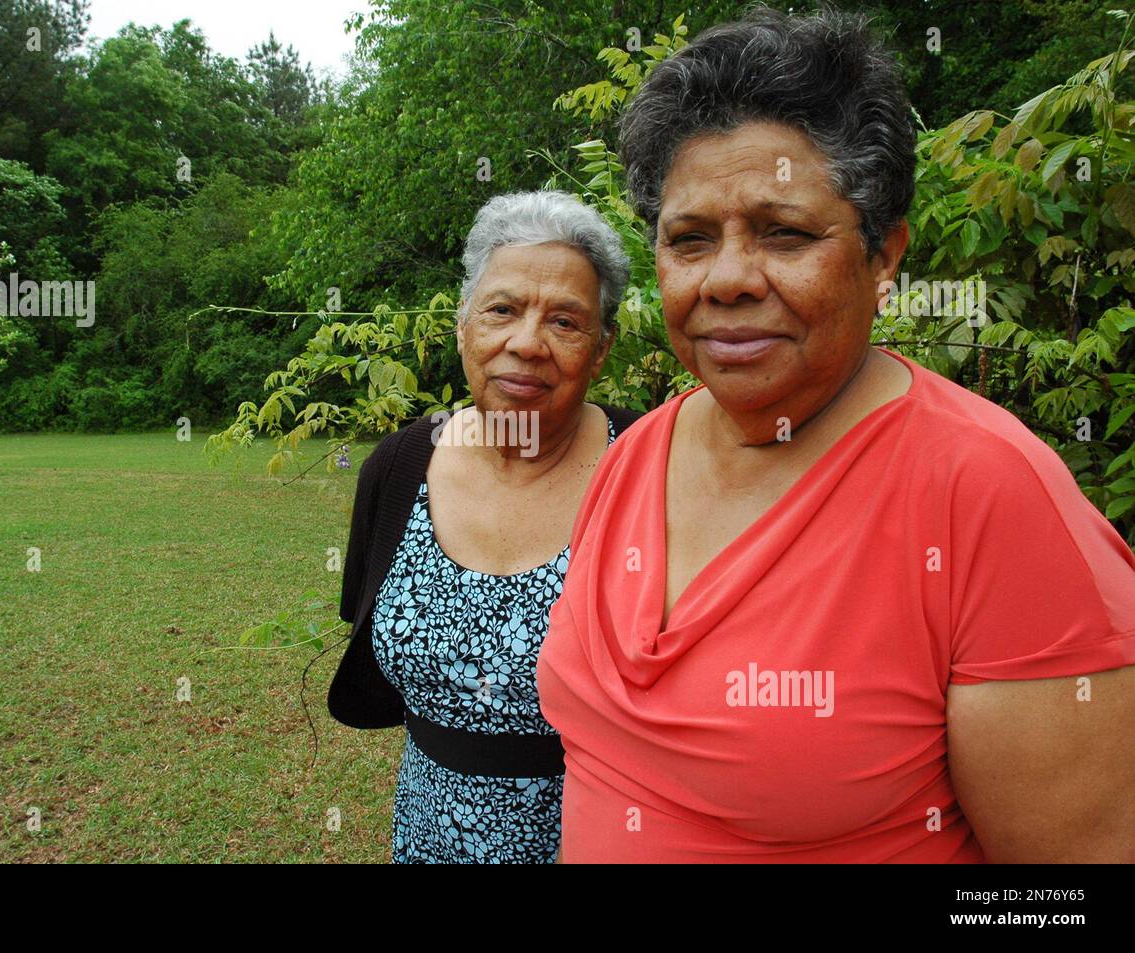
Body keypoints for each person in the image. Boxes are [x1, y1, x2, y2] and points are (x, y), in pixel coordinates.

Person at [536, 5, 1135, 863]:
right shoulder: (635, 454)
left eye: (784, 233)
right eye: (691, 239)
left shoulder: (989, 495)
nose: (731, 278)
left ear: (883, 256)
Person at [328, 190, 642, 862]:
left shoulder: (649, 466)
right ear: (465, 324)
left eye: (565, 321)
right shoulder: (400, 466)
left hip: (605, 838)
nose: (526, 343)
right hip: (426, 836)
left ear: (601, 347)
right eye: (501, 309)